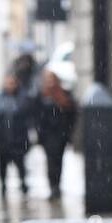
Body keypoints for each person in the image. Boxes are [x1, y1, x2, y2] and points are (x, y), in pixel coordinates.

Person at [0, 73, 32, 199]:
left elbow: (30, 118)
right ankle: (3, 187)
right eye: (8, 83)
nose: (10, 86)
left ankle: (23, 186)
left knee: (21, 165)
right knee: (2, 166)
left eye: (12, 83)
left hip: (19, 139)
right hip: (2, 140)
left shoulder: (23, 98)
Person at [32, 68, 77, 199]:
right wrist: (40, 132)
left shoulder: (64, 94)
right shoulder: (40, 96)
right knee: (51, 161)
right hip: (47, 135)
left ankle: (57, 185)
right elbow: (36, 116)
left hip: (61, 134)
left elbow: (72, 113)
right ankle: (53, 186)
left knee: (59, 160)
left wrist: (68, 130)